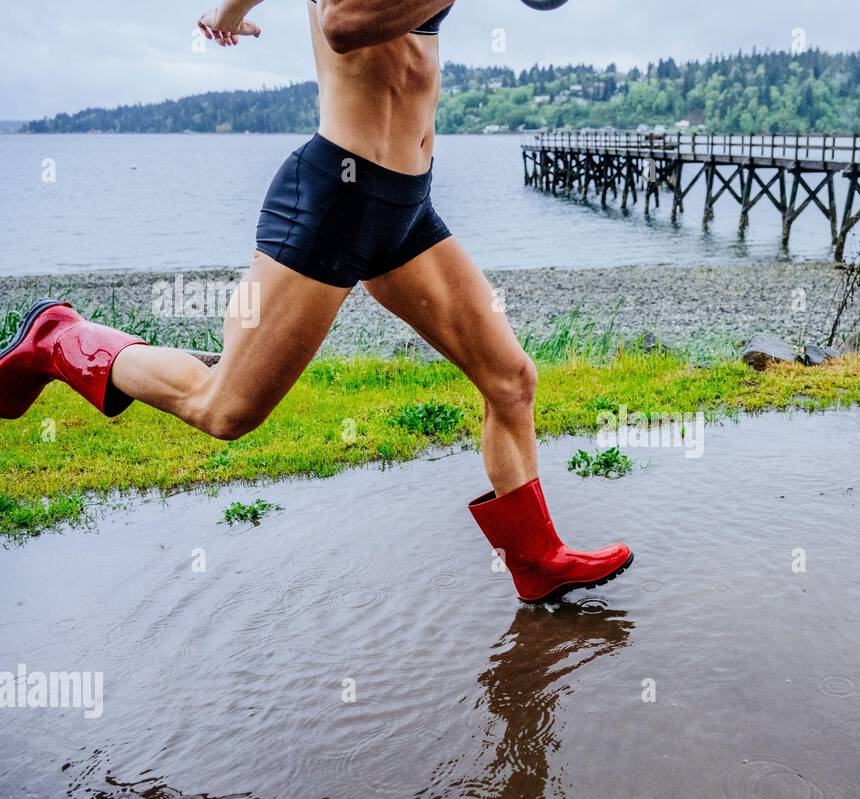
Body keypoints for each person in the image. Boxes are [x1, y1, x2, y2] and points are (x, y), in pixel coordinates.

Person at [0, 0, 632, 604]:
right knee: (223, 408)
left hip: (405, 209)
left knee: (512, 379)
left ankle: (535, 562)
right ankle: (58, 338)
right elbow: (343, 20)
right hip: (334, 201)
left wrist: (226, 12)